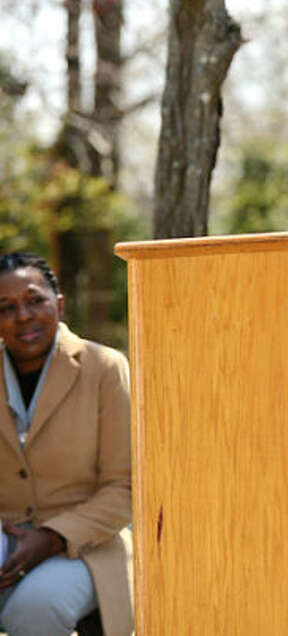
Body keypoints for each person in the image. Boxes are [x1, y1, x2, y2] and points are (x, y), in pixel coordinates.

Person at [0, 252, 132, 636]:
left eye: (35, 300)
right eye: (6, 308)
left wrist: (53, 537)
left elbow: (126, 487)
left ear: (59, 305)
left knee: (36, 609)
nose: (23, 316)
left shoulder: (104, 368)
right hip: (5, 538)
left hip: (87, 545)